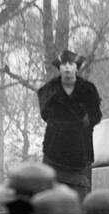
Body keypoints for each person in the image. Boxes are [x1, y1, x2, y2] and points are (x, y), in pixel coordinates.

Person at [37, 51, 102, 201]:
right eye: (63, 64)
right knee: (51, 200)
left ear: (77, 68)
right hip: (54, 153)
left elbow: (95, 116)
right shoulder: (49, 91)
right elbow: (46, 115)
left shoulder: (88, 90)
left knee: (81, 199)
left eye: (71, 64)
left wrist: (82, 120)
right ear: (59, 68)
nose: (67, 67)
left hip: (82, 153)